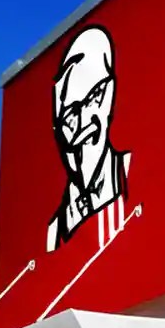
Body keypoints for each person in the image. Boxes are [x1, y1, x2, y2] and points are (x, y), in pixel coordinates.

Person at [48, 25, 131, 253]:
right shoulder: (55, 231)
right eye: (70, 113)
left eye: (94, 97)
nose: (83, 119)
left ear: (110, 93)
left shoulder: (130, 174)